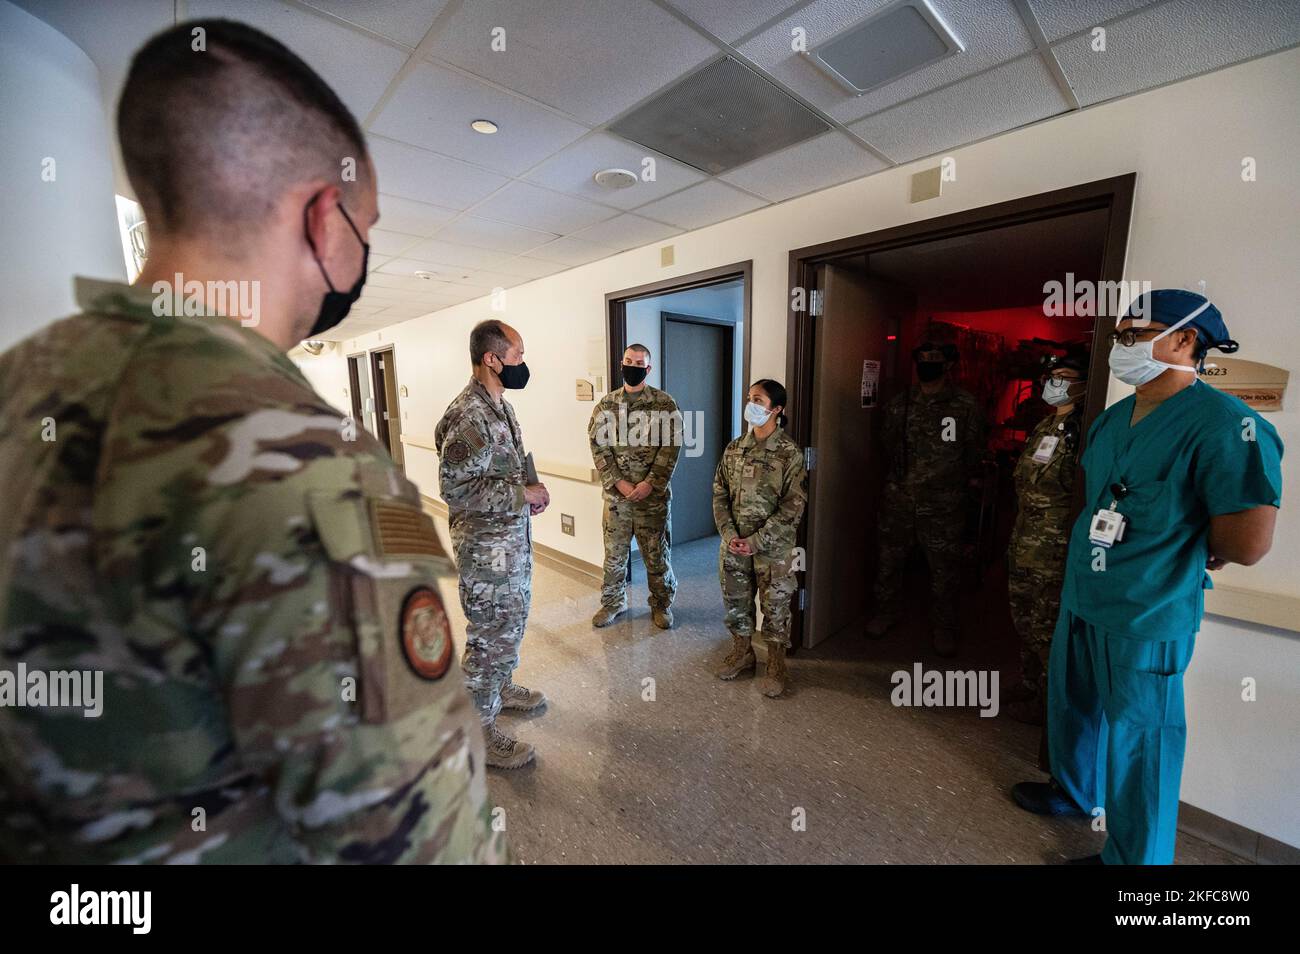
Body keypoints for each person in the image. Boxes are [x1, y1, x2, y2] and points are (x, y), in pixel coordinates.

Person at [0, 20, 504, 863]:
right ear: (321, 217)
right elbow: (411, 835)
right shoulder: (306, 463)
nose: (364, 249)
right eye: (365, 224)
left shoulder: (19, 380)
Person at [1012, 290, 1282, 864]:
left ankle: (1136, 864)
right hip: (1087, 593)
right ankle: (1075, 793)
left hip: (1146, 612)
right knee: (1073, 707)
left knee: (1142, 744)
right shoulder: (1111, 421)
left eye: (1134, 334)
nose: (1121, 346)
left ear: (1184, 340)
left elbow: (1248, 542)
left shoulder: (1228, 426)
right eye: (1119, 337)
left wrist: (1184, 543)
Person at [435, 319, 549, 769]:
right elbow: (454, 487)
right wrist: (522, 495)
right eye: (518, 355)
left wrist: (528, 490)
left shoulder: (500, 405)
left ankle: (500, 687)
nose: (523, 363)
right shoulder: (471, 414)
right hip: (486, 550)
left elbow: (503, 466)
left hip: (508, 540)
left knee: (510, 624)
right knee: (489, 635)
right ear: (492, 359)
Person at [866, 342, 984, 656]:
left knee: (944, 570)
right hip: (900, 500)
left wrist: (948, 480)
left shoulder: (965, 404)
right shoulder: (901, 402)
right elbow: (887, 443)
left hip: (944, 505)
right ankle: (886, 613)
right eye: (922, 360)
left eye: (935, 361)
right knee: (889, 562)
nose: (927, 366)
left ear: (948, 365)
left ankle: (944, 628)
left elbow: (974, 452)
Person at [1005, 348, 1089, 725]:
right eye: (1053, 377)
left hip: (1054, 547)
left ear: (1085, 385)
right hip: (1026, 537)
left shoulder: (1083, 430)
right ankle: (1029, 681)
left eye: (1066, 378)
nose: (1055, 384)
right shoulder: (1045, 425)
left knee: (1045, 623)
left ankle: (1048, 703)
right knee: (1022, 613)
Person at [712, 380, 808, 698]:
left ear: (776, 409)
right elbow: (719, 494)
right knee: (737, 604)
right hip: (735, 546)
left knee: (776, 607)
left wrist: (756, 541)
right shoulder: (734, 448)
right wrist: (729, 535)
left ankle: (776, 666)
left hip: (773, 550)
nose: (750, 403)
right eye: (749, 398)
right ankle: (743, 655)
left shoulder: (789, 454)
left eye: (758, 399)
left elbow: (793, 507)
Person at [588, 344, 682, 629]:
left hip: (651, 499)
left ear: (648, 368)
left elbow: (672, 446)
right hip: (617, 499)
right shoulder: (606, 405)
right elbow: (598, 446)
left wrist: (649, 483)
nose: (633, 366)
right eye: (629, 360)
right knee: (614, 556)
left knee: (656, 556)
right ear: (621, 363)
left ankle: (661, 605)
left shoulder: (664, 404)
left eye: (639, 362)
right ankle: (613, 602)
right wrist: (618, 481)